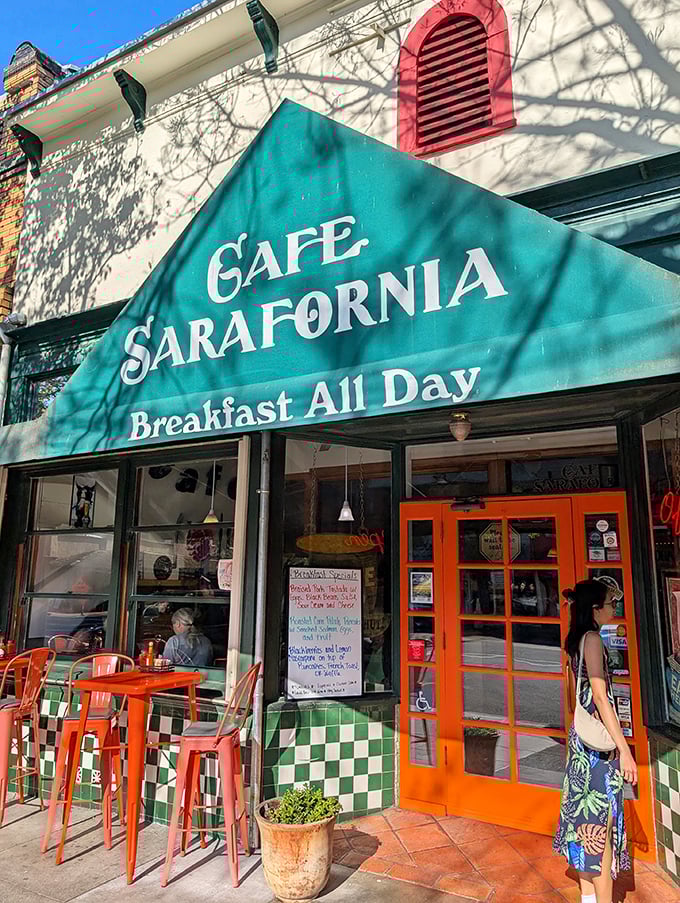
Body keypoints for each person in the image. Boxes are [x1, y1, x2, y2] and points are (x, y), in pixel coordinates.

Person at [553, 580, 637, 903]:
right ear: (595, 609)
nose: (614, 608)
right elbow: (600, 697)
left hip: (580, 745)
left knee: (584, 829)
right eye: (610, 603)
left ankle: (588, 898)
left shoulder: (574, 642)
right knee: (601, 832)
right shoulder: (592, 640)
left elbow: (576, 700)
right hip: (598, 754)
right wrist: (625, 751)